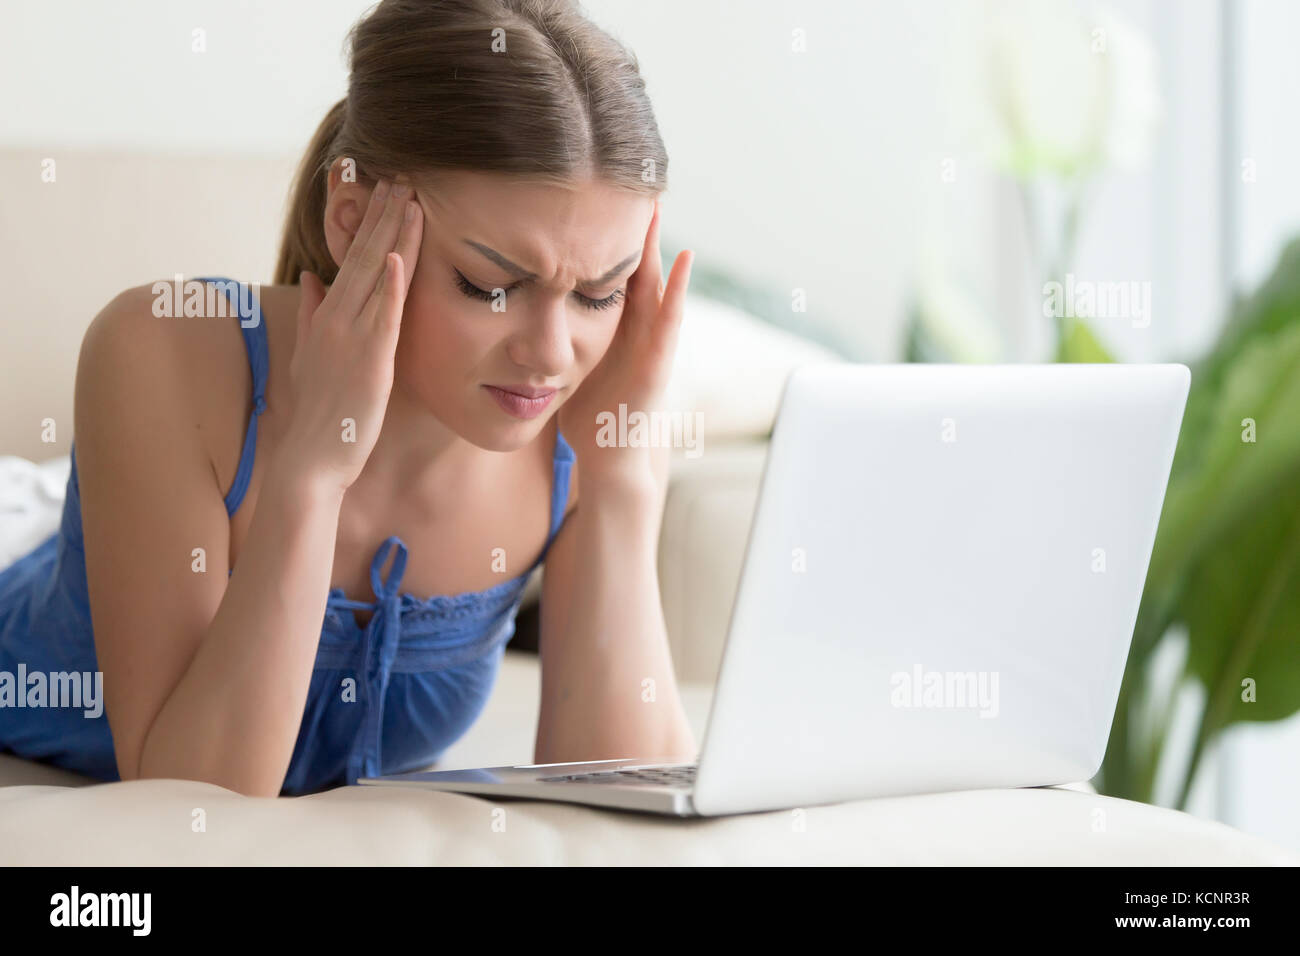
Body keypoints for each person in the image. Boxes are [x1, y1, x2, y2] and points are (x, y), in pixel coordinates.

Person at [0, 0, 696, 797]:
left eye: (599, 295)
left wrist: (621, 483)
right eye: (491, 285)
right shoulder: (160, 350)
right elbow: (191, 804)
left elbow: (621, 797)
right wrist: (311, 474)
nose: (550, 354)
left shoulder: (585, 420)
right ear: (352, 217)